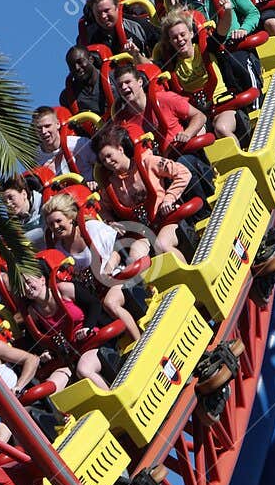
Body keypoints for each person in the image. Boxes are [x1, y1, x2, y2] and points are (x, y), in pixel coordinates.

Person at [40, 193, 144, 341]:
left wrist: (108, 267)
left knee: (110, 303)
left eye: (58, 221)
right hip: (93, 293)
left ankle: (139, 342)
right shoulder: (58, 250)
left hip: (115, 277)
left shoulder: (90, 228)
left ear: (70, 217)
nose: (55, 227)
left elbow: (118, 249)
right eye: (51, 224)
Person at [93, 125, 194, 258]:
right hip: (144, 232)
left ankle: (192, 276)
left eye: (109, 155)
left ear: (120, 149)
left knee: (162, 245)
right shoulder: (111, 184)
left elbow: (183, 173)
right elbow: (102, 208)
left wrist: (169, 198)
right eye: (103, 160)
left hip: (167, 220)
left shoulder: (147, 162)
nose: (108, 162)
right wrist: (111, 223)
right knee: (134, 256)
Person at [110, 62, 212, 187]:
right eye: (120, 86)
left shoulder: (163, 99)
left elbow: (199, 116)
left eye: (128, 82)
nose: (124, 88)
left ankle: (203, 204)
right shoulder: (122, 121)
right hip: (155, 169)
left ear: (140, 82)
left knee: (184, 164)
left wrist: (187, 133)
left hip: (183, 155)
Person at [156, 9, 246, 141]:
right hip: (199, 113)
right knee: (195, 138)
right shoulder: (171, 64)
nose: (179, 40)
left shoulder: (205, 48)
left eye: (182, 34)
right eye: (175, 38)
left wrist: (226, 10)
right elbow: (151, 67)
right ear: (170, 42)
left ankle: (243, 157)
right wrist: (135, 55)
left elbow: (222, 30)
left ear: (191, 33)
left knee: (221, 128)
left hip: (223, 104)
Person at [81, 0, 156, 60]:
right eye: (98, 13)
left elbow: (160, 49)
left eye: (106, 11)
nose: (103, 16)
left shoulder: (138, 25)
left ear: (117, 7)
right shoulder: (88, 36)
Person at [33, 106, 95, 181]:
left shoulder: (79, 143)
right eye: (39, 128)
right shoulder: (35, 156)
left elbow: (103, 165)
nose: (43, 131)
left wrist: (95, 181)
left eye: (47, 126)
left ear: (58, 124)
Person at [0, 172, 46, 247]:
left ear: (24, 194)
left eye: (10, 198)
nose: (8, 204)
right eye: (4, 201)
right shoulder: (12, 229)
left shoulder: (46, 203)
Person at [60, 45, 108, 117]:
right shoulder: (68, 97)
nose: (77, 68)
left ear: (91, 59)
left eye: (80, 62)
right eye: (72, 66)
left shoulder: (113, 79)